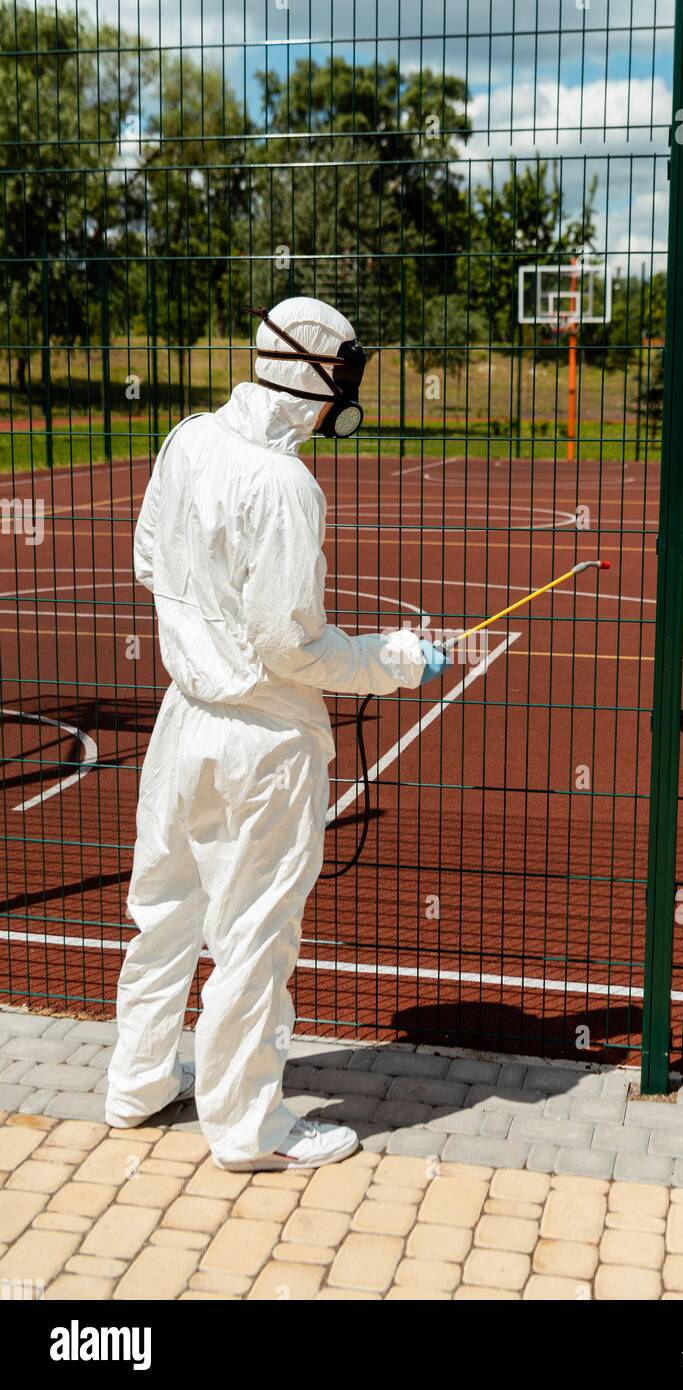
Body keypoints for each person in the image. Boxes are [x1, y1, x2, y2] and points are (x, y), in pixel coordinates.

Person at [105, 297, 448, 1171]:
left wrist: (204, 627)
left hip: (182, 725)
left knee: (165, 913)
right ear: (322, 374)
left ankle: (138, 1083)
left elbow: (150, 559)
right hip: (263, 741)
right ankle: (248, 1129)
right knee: (253, 932)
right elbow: (291, 646)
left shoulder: (187, 438)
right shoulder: (286, 484)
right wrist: (395, 658)